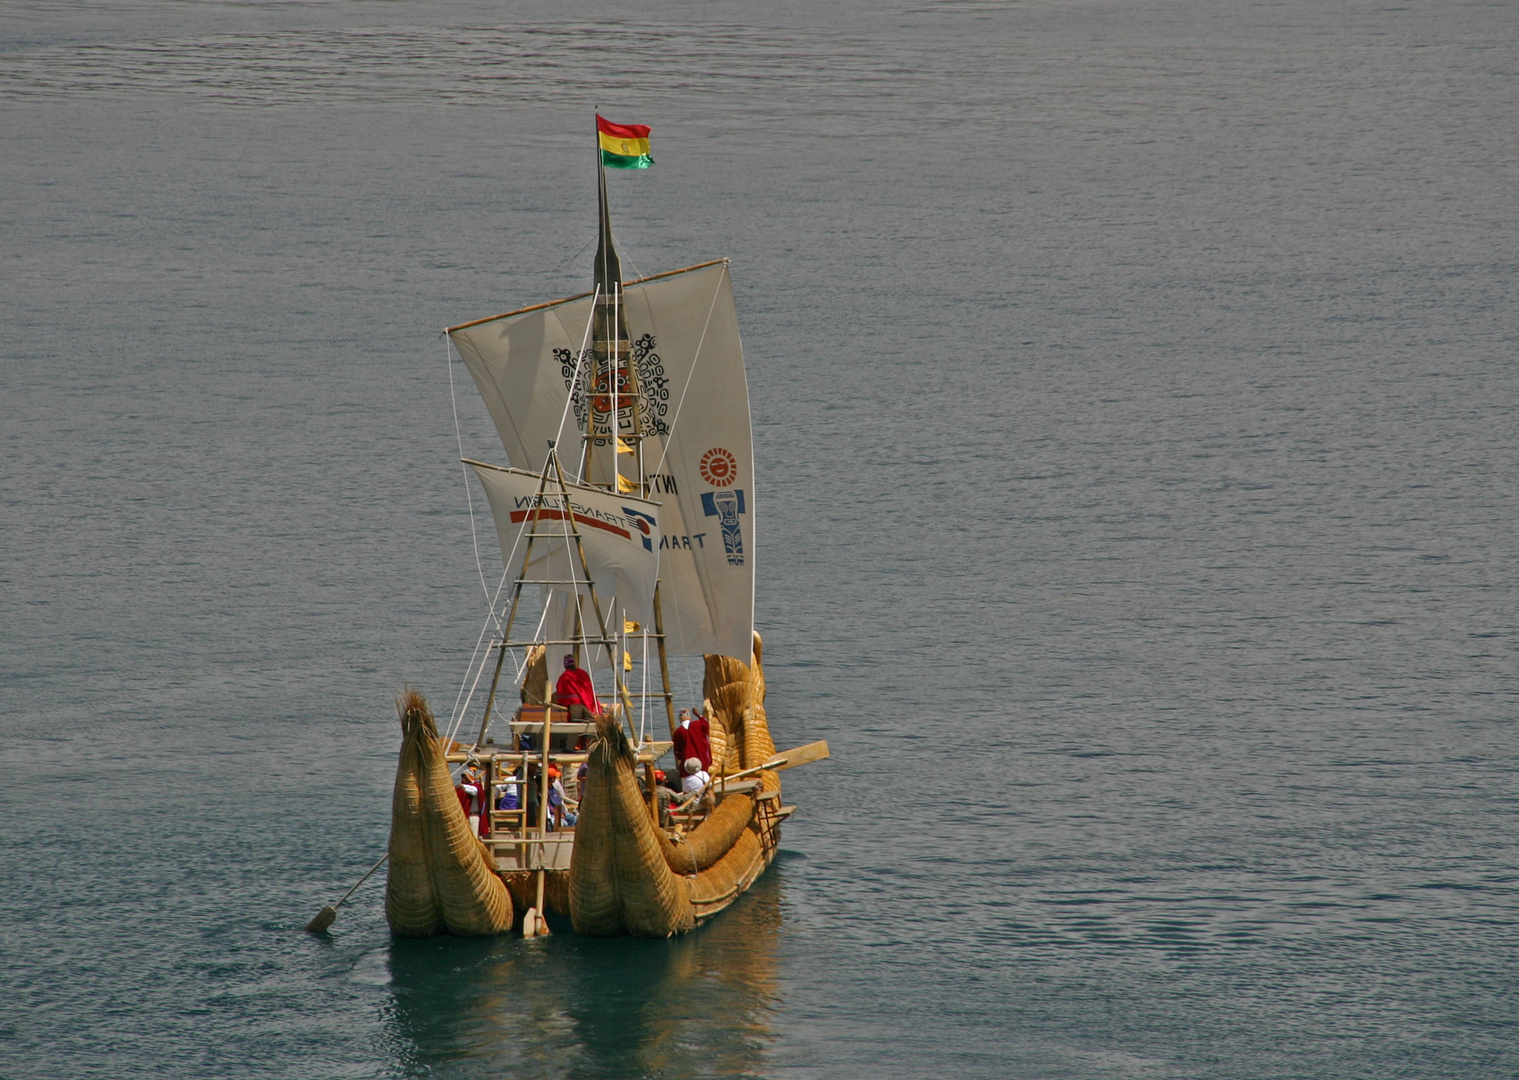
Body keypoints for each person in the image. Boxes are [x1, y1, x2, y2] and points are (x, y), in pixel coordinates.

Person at [553, 653, 600, 720]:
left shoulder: (565, 676)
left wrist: (561, 703)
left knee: (576, 720)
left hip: (575, 703)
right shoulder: (583, 673)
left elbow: (560, 690)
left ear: (565, 665)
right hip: (588, 702)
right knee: (590, 719)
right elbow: (589, 687)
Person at [672, 707, 712, 772]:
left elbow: (677, 752)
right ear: (690, 718)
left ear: (680, 719)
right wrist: (697, 714)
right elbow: (705, 722)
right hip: (702, 761)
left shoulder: (678, 732)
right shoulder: (699, 724)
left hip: (687, 764)